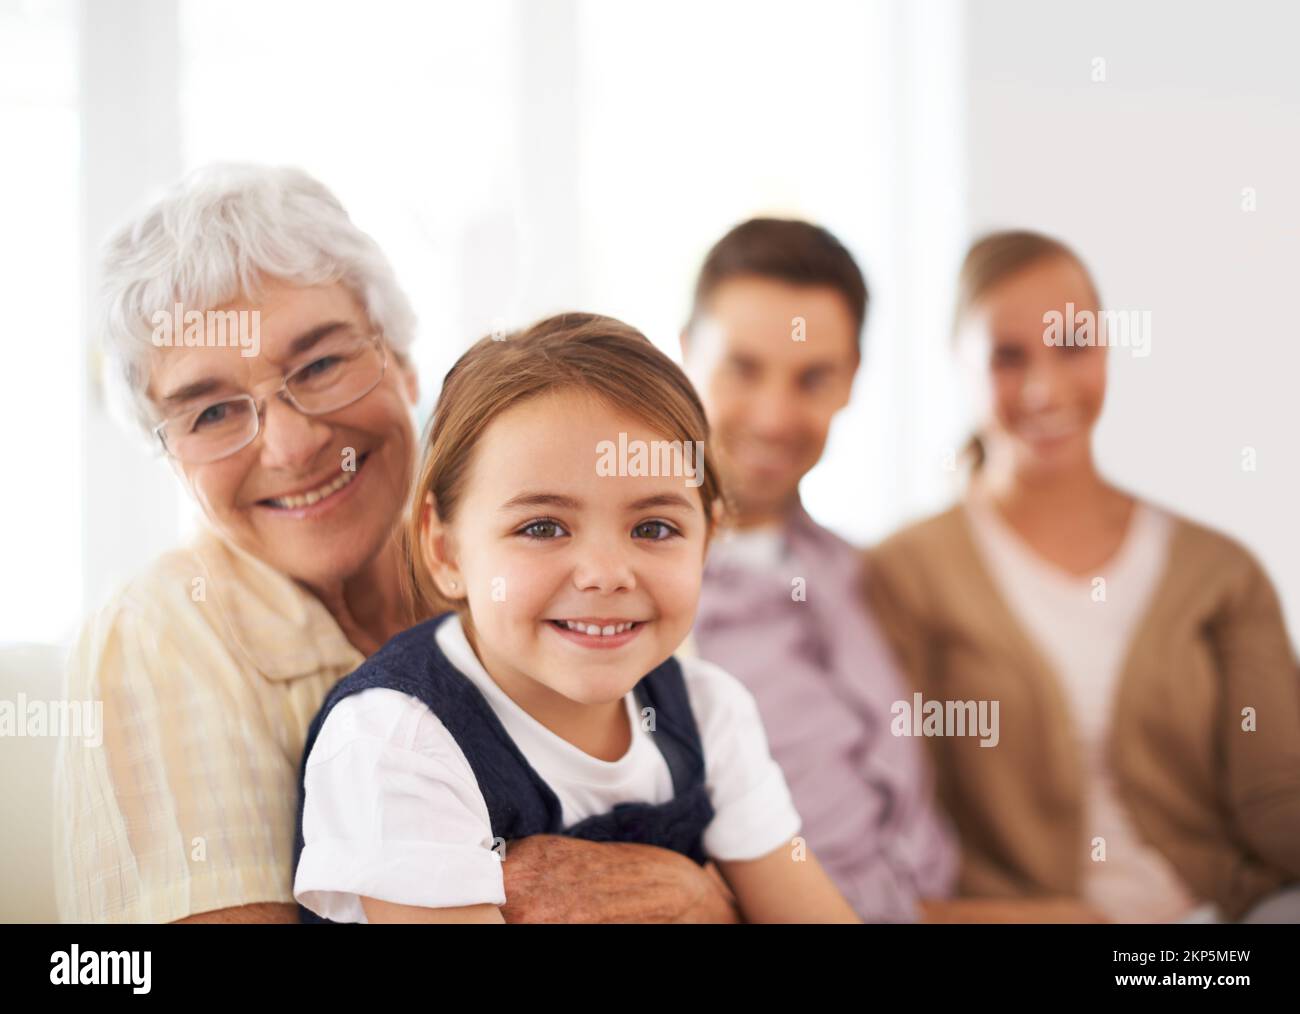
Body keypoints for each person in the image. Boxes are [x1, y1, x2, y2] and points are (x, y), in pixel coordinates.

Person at [52, 165, 737, 924]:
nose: (292, 444)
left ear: (404, 362)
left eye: (319, 365)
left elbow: (742, 856)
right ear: (169, 454)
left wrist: (694, 896)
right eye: (211, 412)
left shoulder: (574, 563)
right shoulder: (161, 636)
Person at [292, 312, 860, 923]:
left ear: (708, 538)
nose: (605, 573)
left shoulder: (710, 712)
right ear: (445, 549)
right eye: (542, 527)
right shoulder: (396, 742)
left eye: (654, 528)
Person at [865, 229, 1300, 923]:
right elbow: (898, 822)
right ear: (959, 364)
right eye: (1008, 358)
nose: (1045, 388)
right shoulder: (905, 573)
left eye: (1073, 347)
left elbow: (1278, 801)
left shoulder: (1221, 572)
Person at [678, 218, 956, 921]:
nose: (774, 418)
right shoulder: (629, 590)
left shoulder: (866, 574)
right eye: (742, 368)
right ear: (685, 355)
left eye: (812, 378)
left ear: (851, 382)